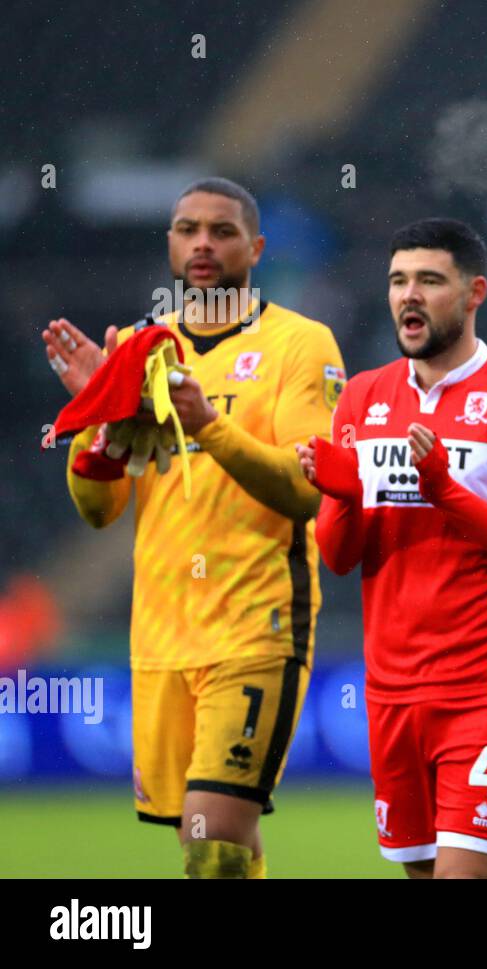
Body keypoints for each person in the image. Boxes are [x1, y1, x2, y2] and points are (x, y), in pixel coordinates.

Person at [45, 177, 345, 878]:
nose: (202, 243)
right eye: (187, 229)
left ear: (257, 247)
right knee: (219, 849)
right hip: (161, 635)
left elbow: (306, 491)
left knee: (212, 842)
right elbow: (99, 510)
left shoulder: (301, 343)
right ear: (172, 244)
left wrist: (207, 421)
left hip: (258, 626)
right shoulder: (143, 353)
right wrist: (101, 420)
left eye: (221, 230)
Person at [297, 218, 487, 878]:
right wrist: (343, 494)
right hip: (391, 694)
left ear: (474, 293)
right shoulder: (362, 397)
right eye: (398, 280)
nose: (409, 294)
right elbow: (339, 555)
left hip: (485, 690)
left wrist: (440, 487)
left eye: (429, 280)